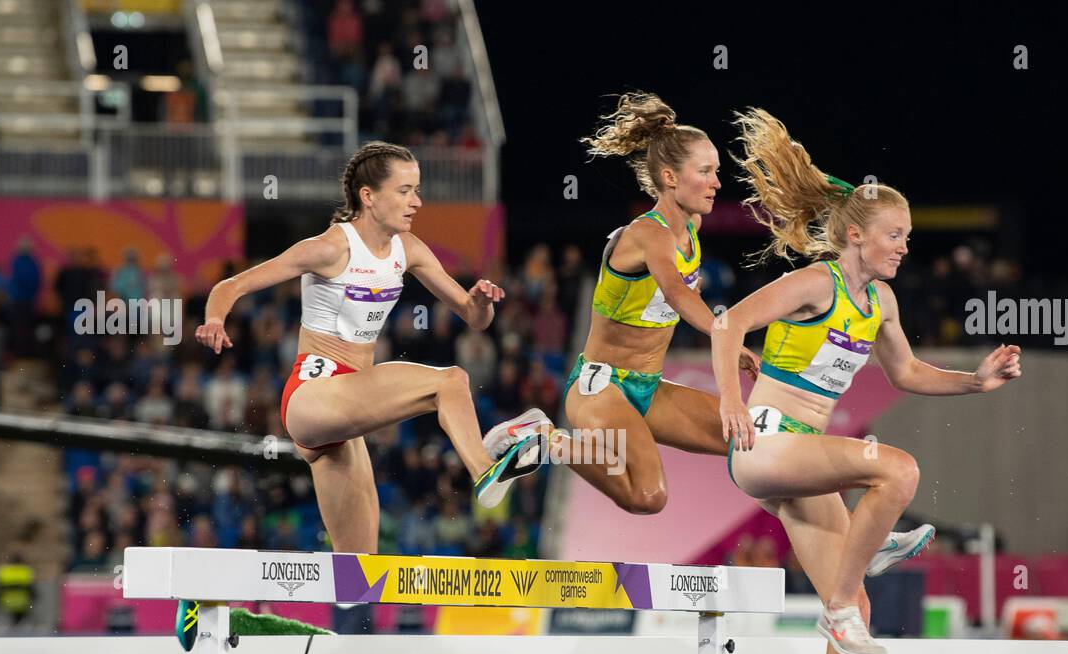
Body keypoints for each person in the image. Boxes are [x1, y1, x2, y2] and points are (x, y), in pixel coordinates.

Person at [712, 107, 1022, 654]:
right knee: (898, 470)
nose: (905, 248)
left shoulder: (878, 300)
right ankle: (859, 573)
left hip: (802, 459)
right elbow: (729, 322)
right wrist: (729, 400)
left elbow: (908, 371)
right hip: (765, 442)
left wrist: (976, 380)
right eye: (894, 235)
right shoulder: (818, 283)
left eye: (909, 237)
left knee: (853, 601)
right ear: (856, 235)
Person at [485, 93, 931, 579]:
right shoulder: (645, 234)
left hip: (649, 388)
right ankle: (544, 440)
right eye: (707, 171)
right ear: (670, 178)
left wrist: (844, 197)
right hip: (601, 385)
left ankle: (860, 536)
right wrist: (728, 334)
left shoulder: (692, 227)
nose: (718, 181)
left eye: (718, 170)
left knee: (759, 450)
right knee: (648, 497)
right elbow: (678, 296)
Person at [194, 141, 549, 558]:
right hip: (313, 395)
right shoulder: (330, 247)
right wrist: (216, 319)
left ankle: (332, 619)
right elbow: (230, 285)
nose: (416, 201)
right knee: (451, 381)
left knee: (357, 566)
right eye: (404, 191)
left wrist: (482, 303)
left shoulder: (409, 249)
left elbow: (474, 319)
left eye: (417, 190)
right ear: (369, 196)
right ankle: (486, 468)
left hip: (347, 413)